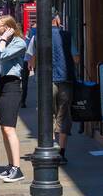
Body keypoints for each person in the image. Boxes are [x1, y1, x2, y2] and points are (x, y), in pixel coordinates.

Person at [27, 12, 77, 163]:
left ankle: (47, 148)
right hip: (65, 79)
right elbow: (76, 58)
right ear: (57, 20)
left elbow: (31, 60)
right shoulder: (67, 35)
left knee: (47, 114)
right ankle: (61, 152)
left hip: (46, 80)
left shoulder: (37, 37)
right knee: (64, 115)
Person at [0, 15, 27, 182]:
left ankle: (17, 168)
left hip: (11, 86)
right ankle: (10, 166)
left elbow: (0, 55)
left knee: (9, 128)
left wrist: (2, 39)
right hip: (0, 84)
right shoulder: (0, 39)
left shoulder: (19, 43)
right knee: (3, 128)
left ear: (8, 28)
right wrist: (0, 39)